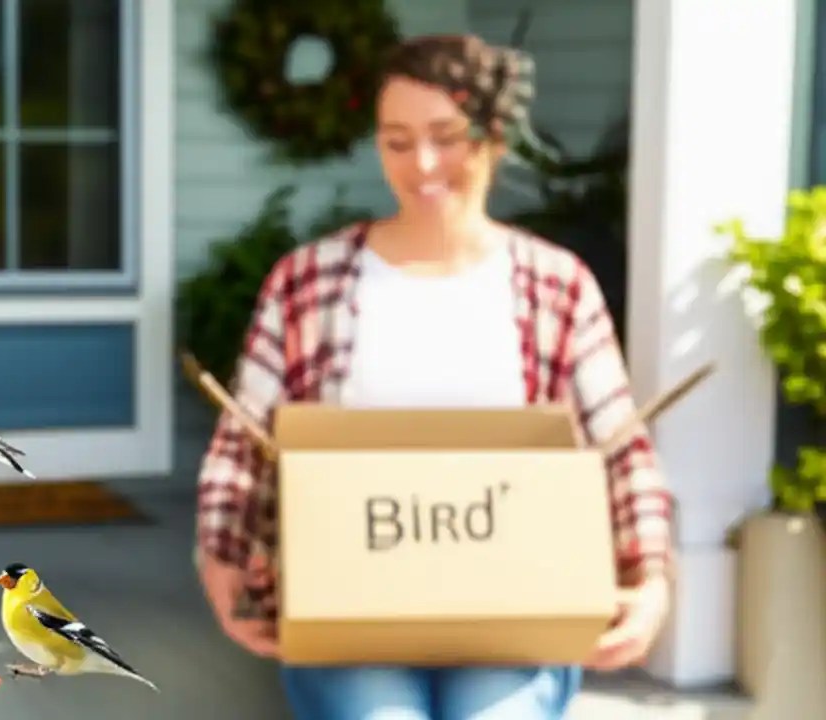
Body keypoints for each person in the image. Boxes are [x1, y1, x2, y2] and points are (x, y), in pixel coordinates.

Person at [194, 34, 675, 720]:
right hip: (347, 616)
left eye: (446, 137)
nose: (421, 165)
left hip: (516, 618)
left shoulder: (558, 286)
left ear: (495, 136)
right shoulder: (308, 282)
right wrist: (220, 563)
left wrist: (650, 580)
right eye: (395, 141)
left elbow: (622, 447)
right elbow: (241, 442)